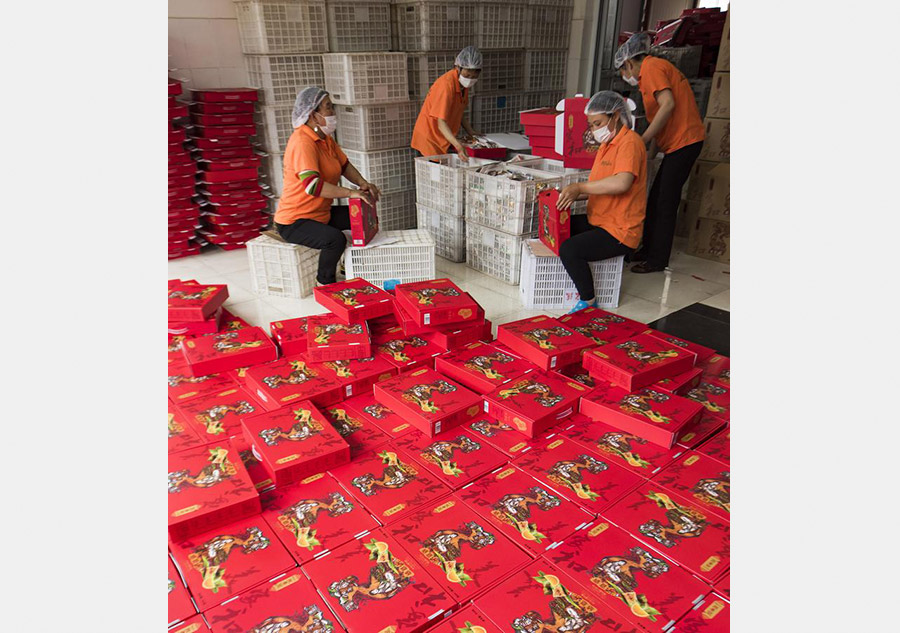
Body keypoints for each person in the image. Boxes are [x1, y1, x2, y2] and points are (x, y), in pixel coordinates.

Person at [615, 32, 706, 274]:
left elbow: (668, 105)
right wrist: (651, 152)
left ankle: (657, 260)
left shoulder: (652, 68)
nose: (626, 77)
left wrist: (640, 140)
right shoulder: (650, 73)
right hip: (676, 144)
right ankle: (648, 250)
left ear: (629, 63)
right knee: (655, 199)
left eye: (624, 72)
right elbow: (660, 119)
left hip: (685, 142)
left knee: (665, 202)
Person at [273, 87, 381, 286]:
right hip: (296, 220)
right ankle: (326, 283)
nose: (333, 113)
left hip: (320, 212)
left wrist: (363, 184)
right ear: (313, 115)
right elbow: (313, 186)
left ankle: (349, 266)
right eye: (328, 108)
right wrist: (350, 192)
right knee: (335, 239)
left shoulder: (325, 140)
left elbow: (344, 166)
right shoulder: (302, 142)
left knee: (361, 216)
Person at [556, 91, 647, 313]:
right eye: (592, 124)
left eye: (598, 123)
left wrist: (580, 188)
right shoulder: (608, 145)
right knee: (559, 226)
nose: (594, 130)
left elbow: (622, 183)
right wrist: (570, 193)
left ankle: (588, 301)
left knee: (570, 249)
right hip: (599, 219)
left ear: (615, 116)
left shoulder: (630, 143)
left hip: (620, 230)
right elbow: (601, 186)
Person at [411, 45, 483, 161]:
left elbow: (459, 112)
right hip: (430, 138)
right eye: (467, 75)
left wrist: (471, 132)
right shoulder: (446, 86)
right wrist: (458, 145)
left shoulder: (462, 85)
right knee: (434, 173)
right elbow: (441, 123)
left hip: (442, 138)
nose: (470, 79)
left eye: (474, 76)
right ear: (458, 68)